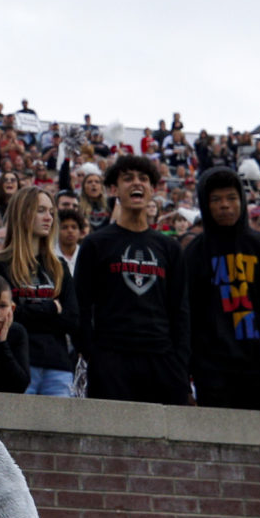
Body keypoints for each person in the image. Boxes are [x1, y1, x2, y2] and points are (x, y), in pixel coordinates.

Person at [74, 155, 189, 404]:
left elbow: (180, 309)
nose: (136, 183)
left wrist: (179, 359)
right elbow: (81, 305)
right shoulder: (96, 244)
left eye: (144, 179)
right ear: (114, 189)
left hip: (162, 359)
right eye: (128, 179)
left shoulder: (170, 248)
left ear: (153, 190)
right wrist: (93, 353)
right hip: (111, 358)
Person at [185, 168, 260, 411]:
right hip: (209, 371)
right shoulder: (193, 253)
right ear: (205, 204)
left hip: (255, 367)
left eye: (231, 198)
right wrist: (184, 380)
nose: (225, 206)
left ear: (242, 201)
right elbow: (185, 320)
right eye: (216, 200)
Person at [0, 186, 79, 397]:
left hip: (58, 367)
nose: (49, 218)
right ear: (23, 213)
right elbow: (2, 316)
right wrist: (52, 308)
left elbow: (72, 319)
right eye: (41, 210)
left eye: (51, 212)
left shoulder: (59, 267)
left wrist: (27, 311)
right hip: (16, 363)